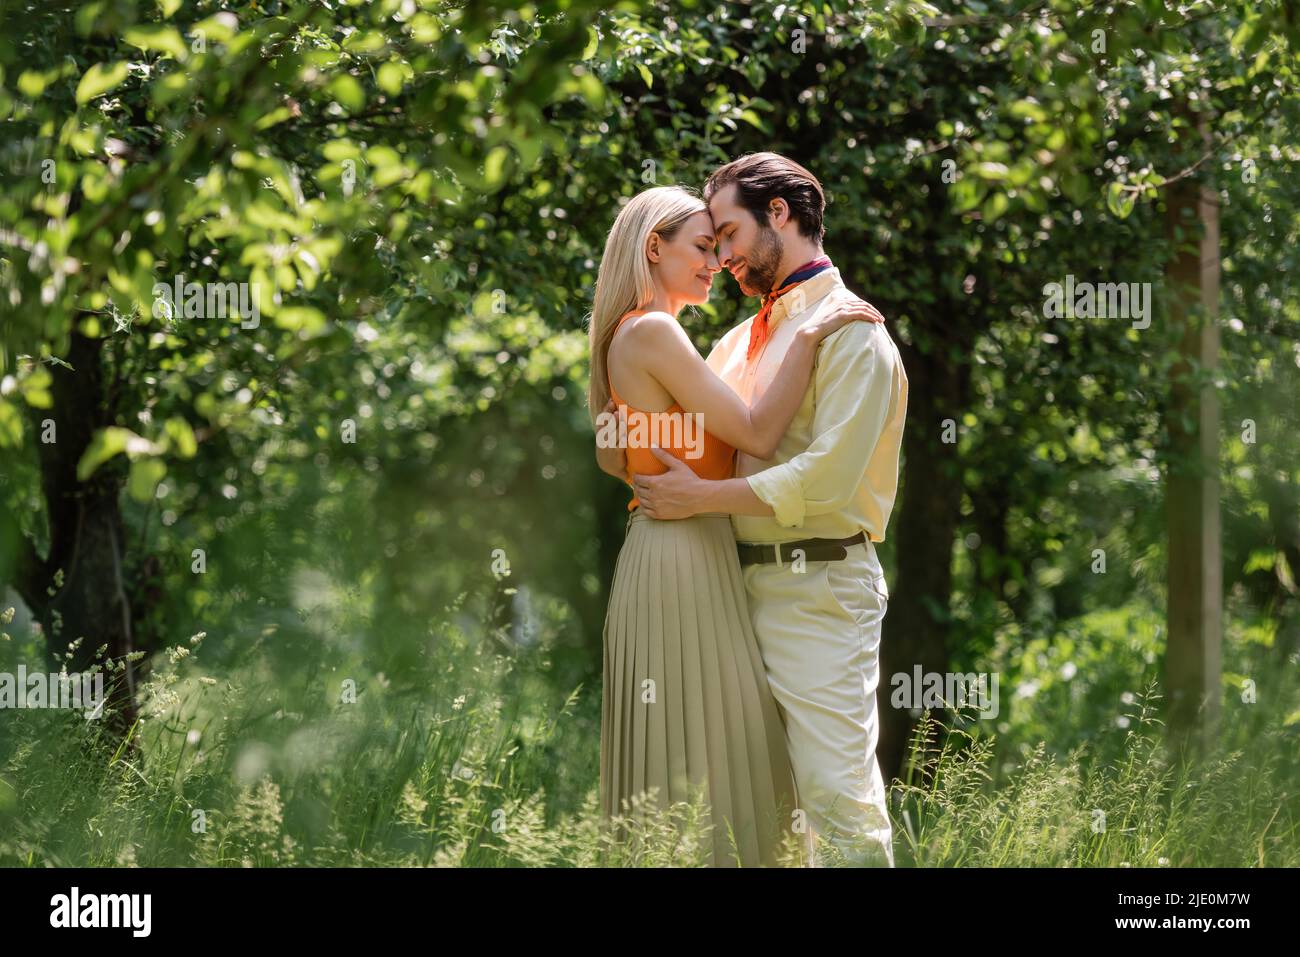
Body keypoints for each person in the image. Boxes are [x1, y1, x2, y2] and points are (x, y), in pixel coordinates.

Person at [608, 154, 909, 867]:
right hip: (727, 591)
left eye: (730, 233)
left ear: (780, 214)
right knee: (756, 815)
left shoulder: (853, 332)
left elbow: (829, 480)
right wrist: (630, 439)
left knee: (838, 801)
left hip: (817, 589)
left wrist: (701, 498)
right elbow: (675, 435)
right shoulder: (734, 341)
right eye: (709, 240)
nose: (725, 257)